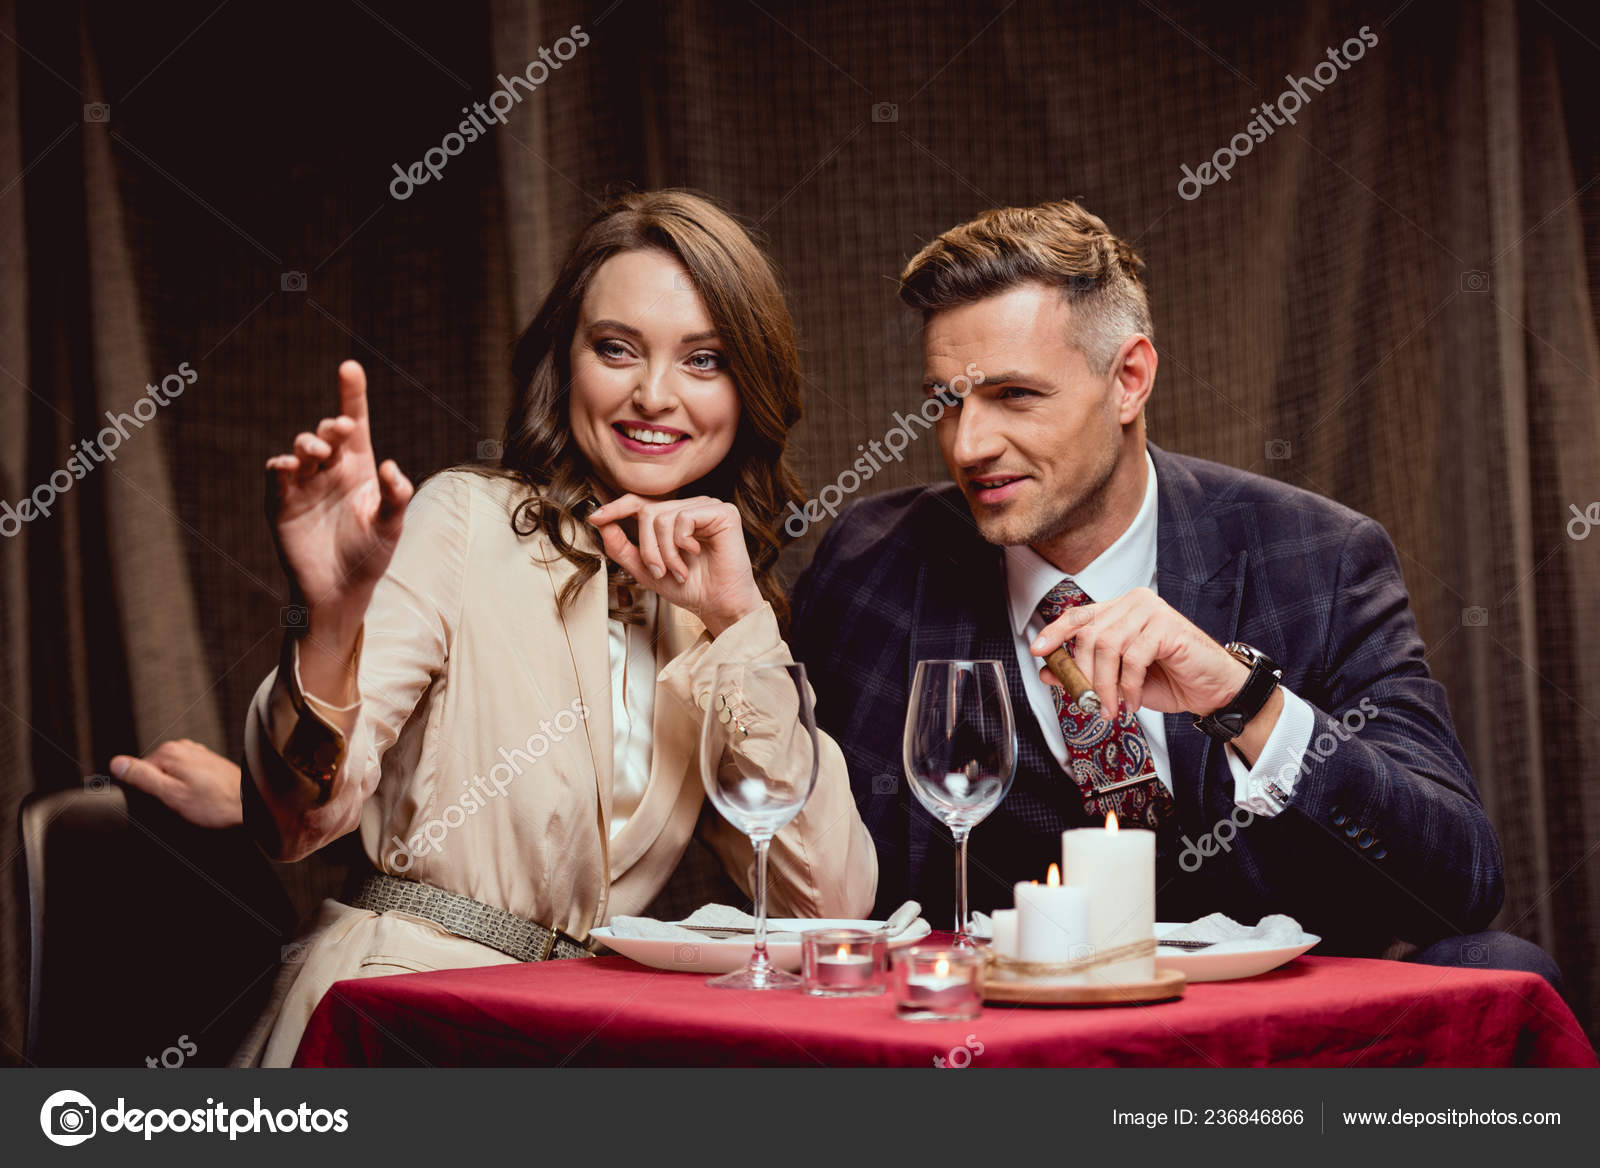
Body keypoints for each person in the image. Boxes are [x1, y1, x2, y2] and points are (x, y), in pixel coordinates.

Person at [790, 198, 1559, 986]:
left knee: (1503, 967)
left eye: (1015, 396)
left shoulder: (1317, 557)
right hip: (997, 1038)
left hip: (1255, 1039)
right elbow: (797, 840)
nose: (971, 445)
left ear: (1129, 379)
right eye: (947, 404)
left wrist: (1244, 700)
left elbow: (1460, 880)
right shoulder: (874, 560)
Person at [241, 190, 876, 1065]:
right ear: (565, 363)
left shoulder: (713, 607)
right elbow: (298, 822)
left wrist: (740, 624)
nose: (654, 396)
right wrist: (332, 618)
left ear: (748, 388)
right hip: (395, 1017)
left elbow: (829, 904)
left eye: (704, 360)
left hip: (570, 1036)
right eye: (616, 349)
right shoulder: (465, 520)